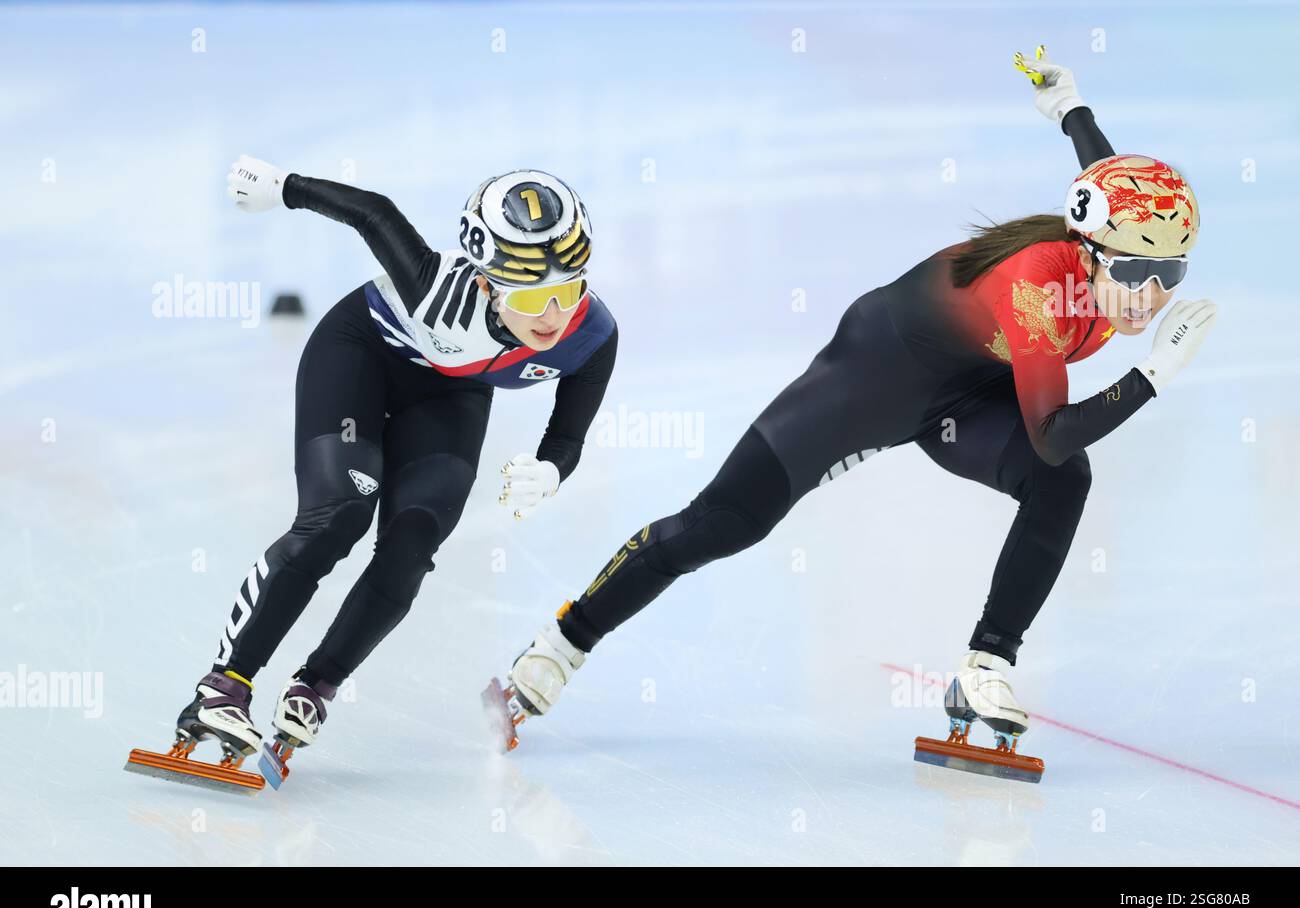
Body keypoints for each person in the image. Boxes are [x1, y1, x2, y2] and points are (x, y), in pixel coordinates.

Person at [484, 52, 1217, 763]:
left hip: (972, 391)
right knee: (724, 522)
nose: (1149, 296)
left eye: (1169, 272)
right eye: (1134, 272)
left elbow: (1110, 186)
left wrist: (1070, 109)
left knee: (1064, 480)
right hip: (878, 372)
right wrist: (1153, 372)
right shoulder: (1038, 288)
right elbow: (1052, 434)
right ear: (1087, 251)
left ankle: (987, 664)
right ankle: (559, 646)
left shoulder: (1107, 236)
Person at [144, 163, 618, 784]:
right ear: (486, 283)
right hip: (360, 355)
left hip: (449, 395)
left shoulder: (592, 334)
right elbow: (373, 212)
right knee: (339, 514)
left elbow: (568, 436)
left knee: (412, 544)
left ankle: (316, 686)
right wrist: (283, 188)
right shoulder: (434, 289)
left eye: (570, 289)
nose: (553, 315)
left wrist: (552, 470)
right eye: (531, 298)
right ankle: (223, 687)